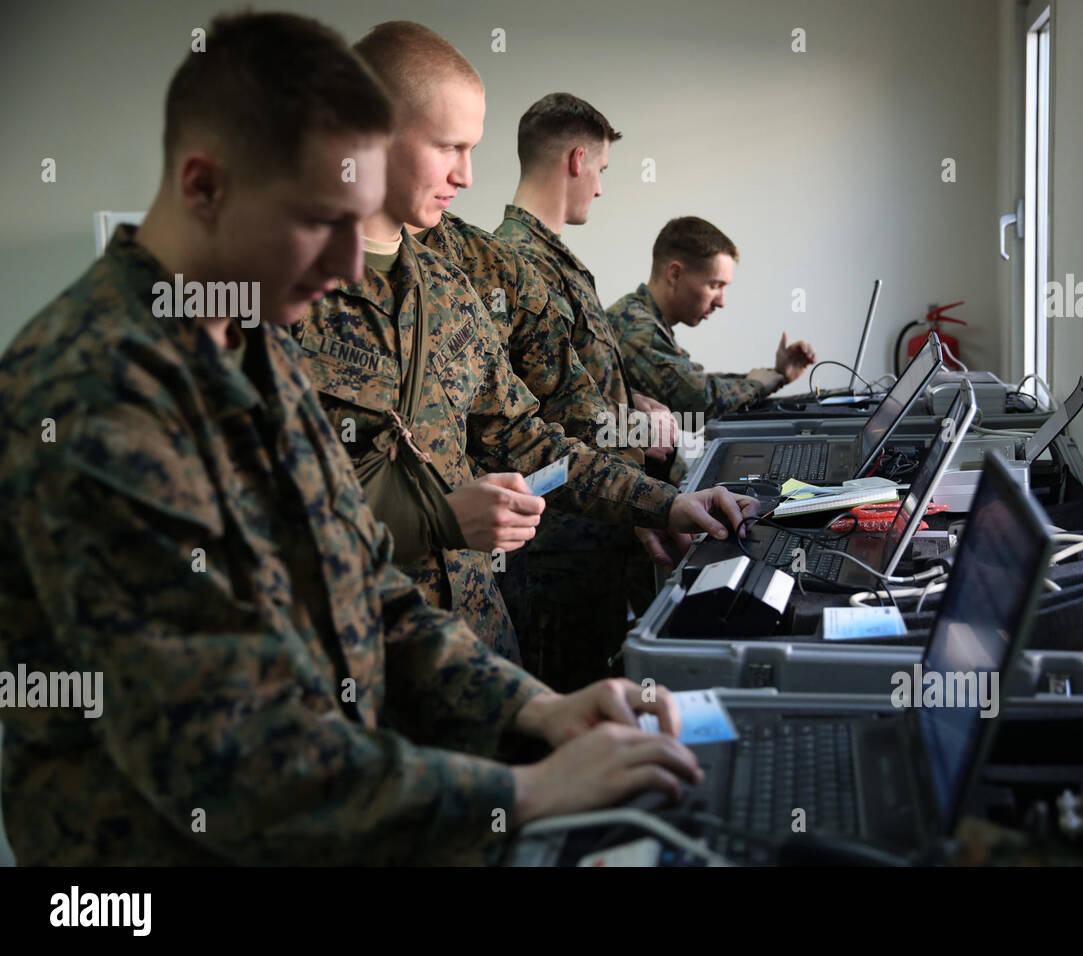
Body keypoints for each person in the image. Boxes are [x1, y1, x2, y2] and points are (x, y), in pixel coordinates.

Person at [0, 11, 701, 866]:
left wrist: (534, 710)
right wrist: (526, 791)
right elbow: (228, 757)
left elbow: (365, 578)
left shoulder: (247, 337)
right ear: (203, 186)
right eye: (317, 219)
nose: (345, 266)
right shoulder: (96, 391)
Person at [294, 44, 749, 668]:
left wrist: (666, 502)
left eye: (472, 150)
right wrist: (435, 520)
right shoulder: (272, 292)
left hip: (475, 654)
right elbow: (250, 514)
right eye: (449, 147)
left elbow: (529, 439)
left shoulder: (448, 285)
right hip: (352, 667)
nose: (467, 176)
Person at [496, 93, 689, 689]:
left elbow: (582, 387)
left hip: (596, 523)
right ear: (578, 159)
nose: (600, 188)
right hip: (559, 539)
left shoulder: (548, 257)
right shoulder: (518, 262)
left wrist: (635, 408)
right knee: (571, 702)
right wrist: (645, 431)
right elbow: (554, 420)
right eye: (602, 171)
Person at [607, 216, 817, 421]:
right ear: (675, 274)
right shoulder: (638, 328)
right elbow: (699, 402)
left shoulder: (641, 316)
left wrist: (776, 375)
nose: (721, 302)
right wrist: (760, 384)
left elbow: (692, 382)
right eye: (715, 285)